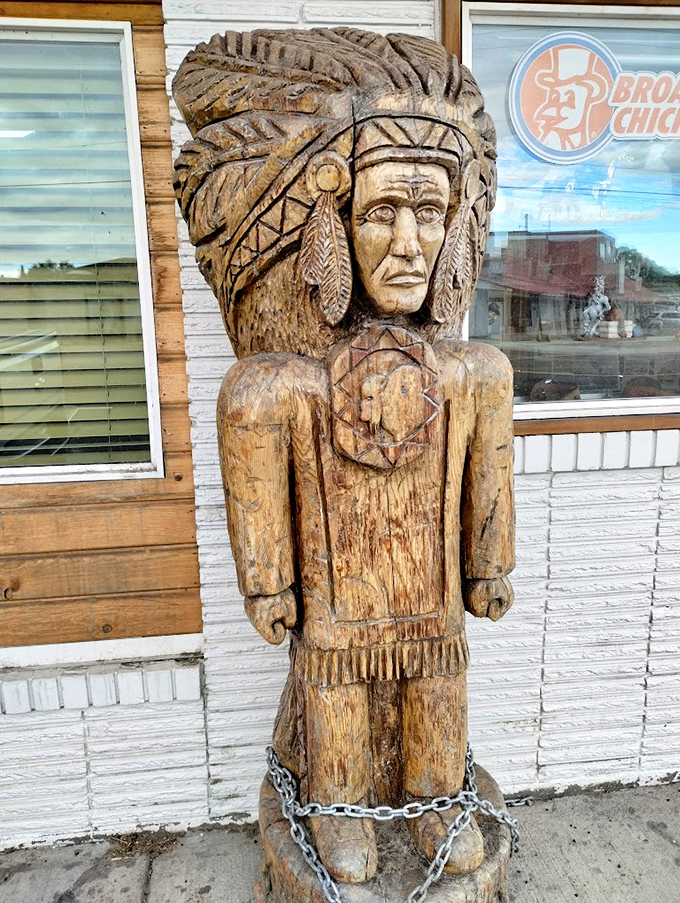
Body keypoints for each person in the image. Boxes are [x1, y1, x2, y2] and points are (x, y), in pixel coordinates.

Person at [173, 28, 515, 885]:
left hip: (433, 611)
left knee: (438, 706)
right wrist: (267, 579)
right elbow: (247, 435)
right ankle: (338, 808)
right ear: (331, 220)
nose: (409, 243)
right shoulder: (281, 386)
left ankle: (437, 795)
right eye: (379, 212)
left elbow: (490, 479)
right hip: (335, 613)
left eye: (430, 212)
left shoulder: (476, 372)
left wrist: (489, 563)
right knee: (339, 717)